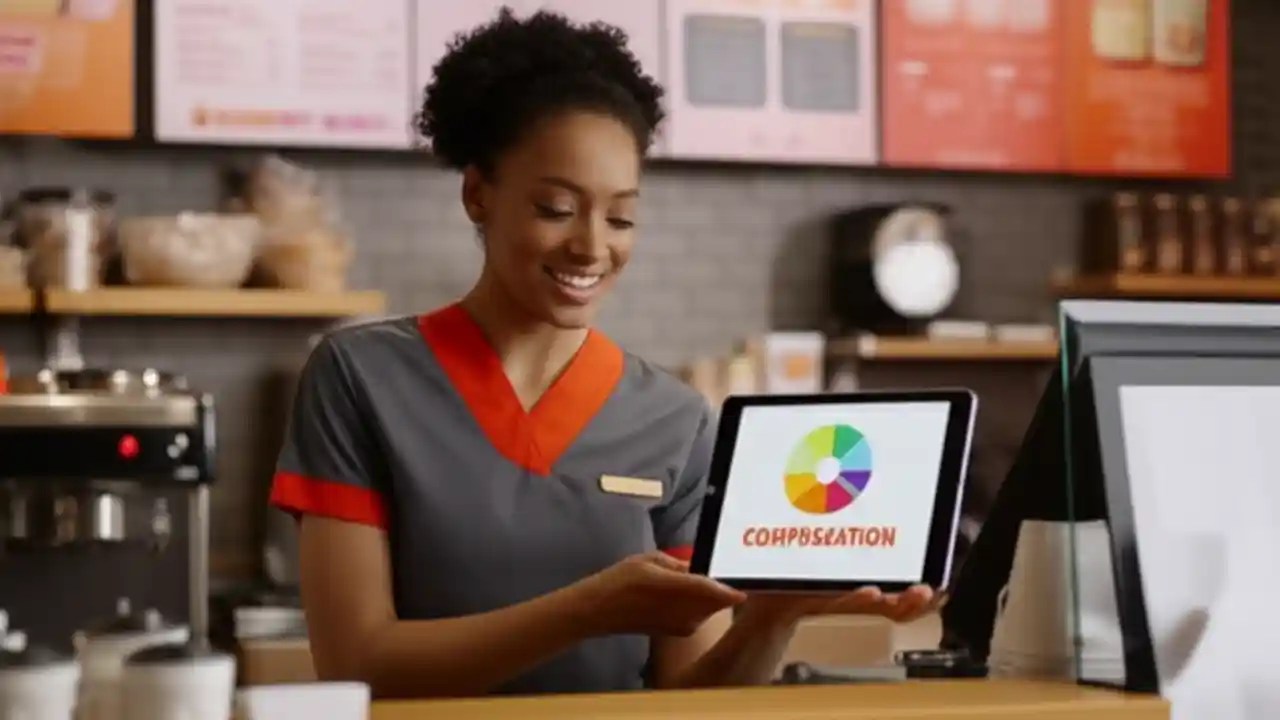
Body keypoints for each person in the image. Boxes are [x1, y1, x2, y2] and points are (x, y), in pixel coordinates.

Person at [269, 8, 937, 699]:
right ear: (478, 194)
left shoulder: (676, 420)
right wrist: (587, 610)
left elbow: (690, 701)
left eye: (620, 217)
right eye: (556, 209)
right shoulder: (360, 377)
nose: (593, 247)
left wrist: (771, 618)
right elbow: (358, 664)